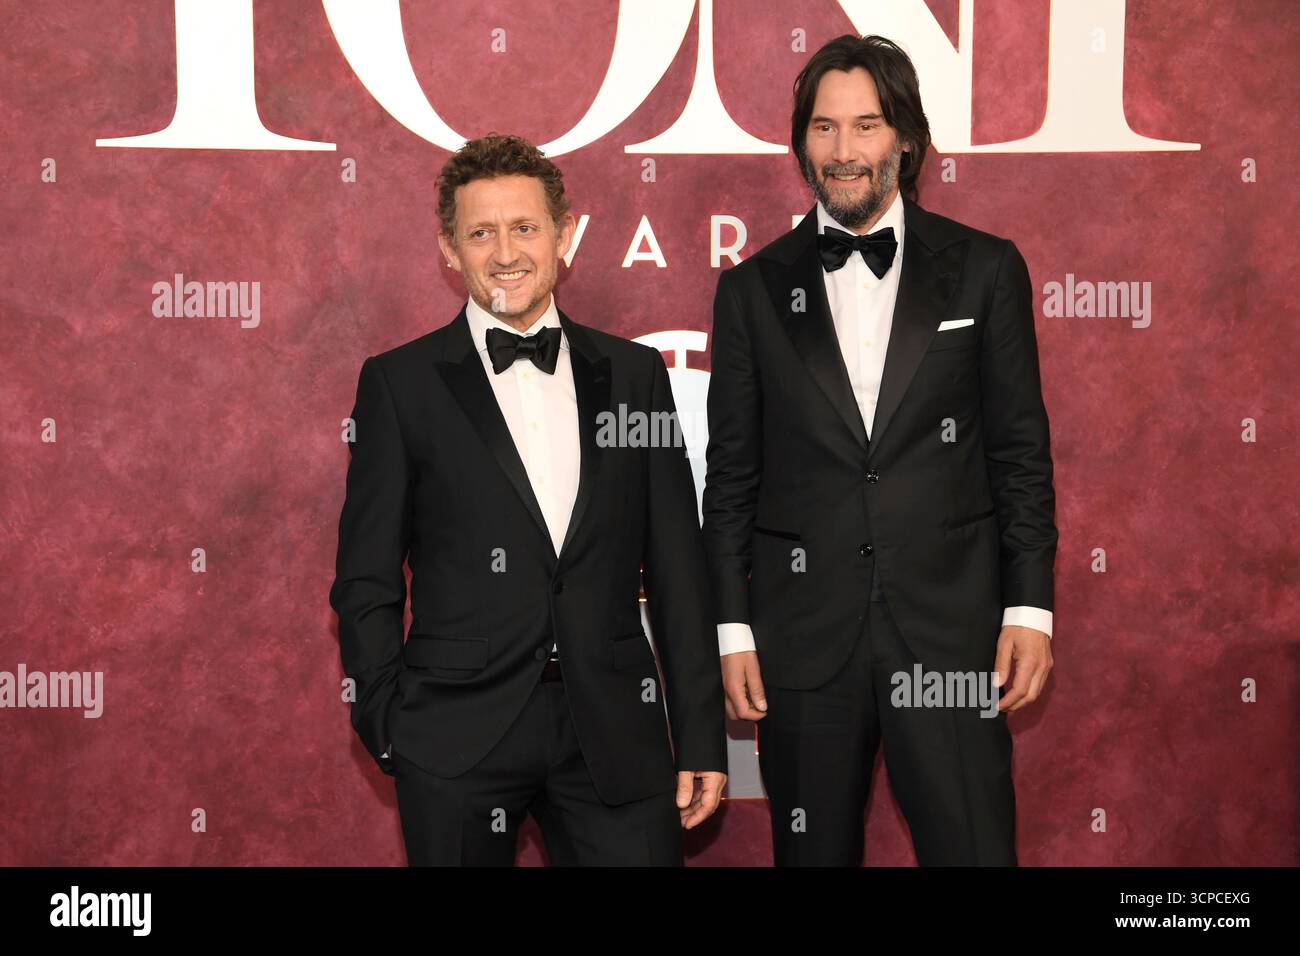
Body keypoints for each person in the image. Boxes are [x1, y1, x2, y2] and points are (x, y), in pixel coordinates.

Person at [703, 35, 1057, 866]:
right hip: (802, 641)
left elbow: (1020, 456)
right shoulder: (751, 291)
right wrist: (731, 630)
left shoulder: (985, 270)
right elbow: (731, 479)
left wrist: (1029, 608)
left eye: (866, 126)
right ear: (801, 144)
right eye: (823, 128)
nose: (843, 150)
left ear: (905, 136)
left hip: (953, 629)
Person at [329, 133, 727, 866]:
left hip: (613, 730)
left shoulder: (636, 376)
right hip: (453, 734)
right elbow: (366, 576)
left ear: (564, 236)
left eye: (525, 227)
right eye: (481, 232)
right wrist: (387, 721)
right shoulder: (401, 385)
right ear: (450, 249)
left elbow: (678, 570)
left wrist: (699, 733)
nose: (505, 251)